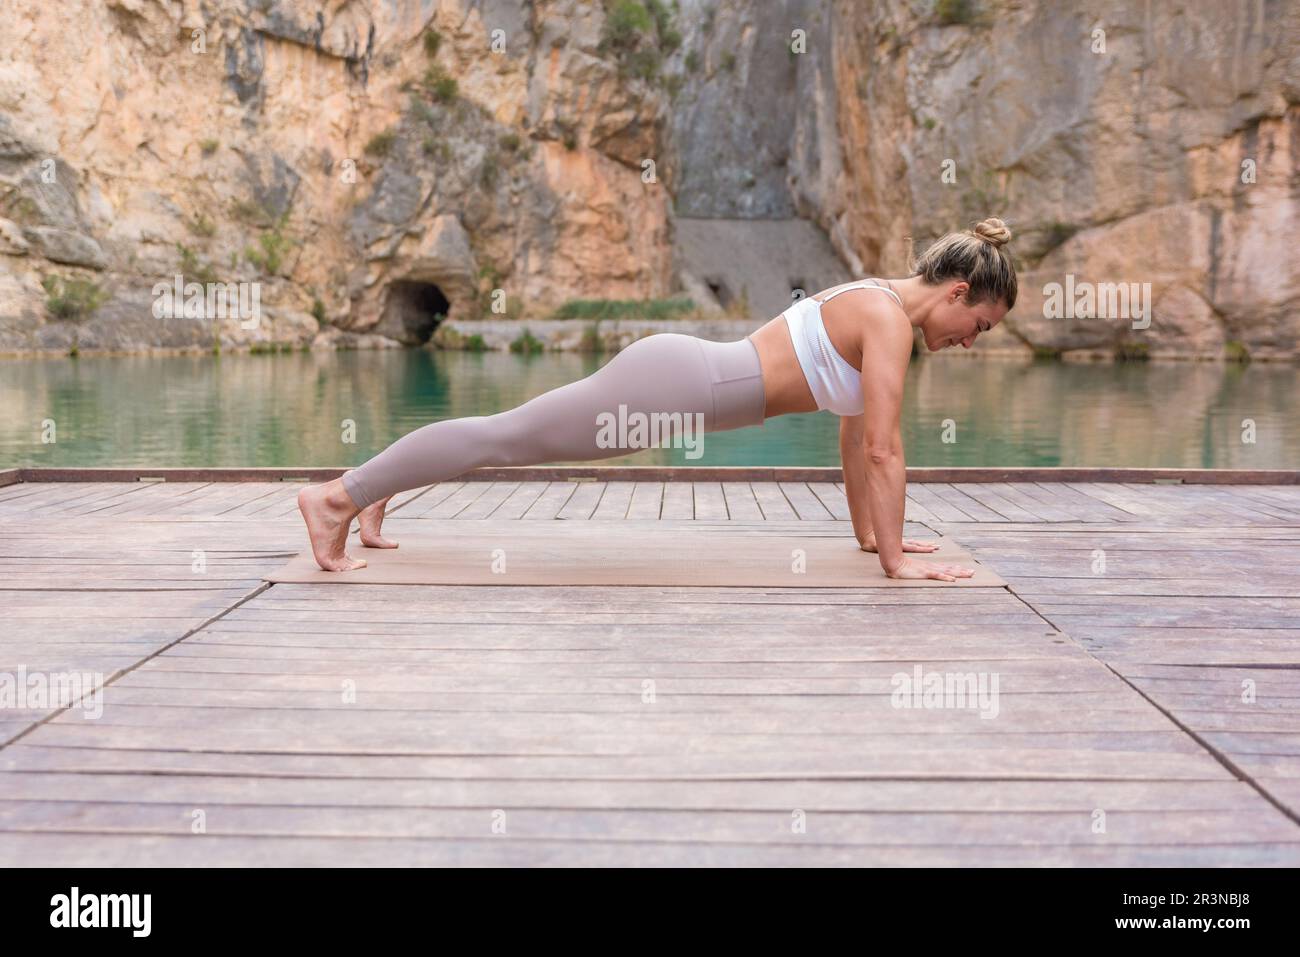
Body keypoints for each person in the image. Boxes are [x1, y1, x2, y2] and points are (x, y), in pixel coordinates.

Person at [298, 217, 1018, 581]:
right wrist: (898, 563)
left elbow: (855, 435)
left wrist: (873, 540)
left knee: (506, 432)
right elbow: (883, 448)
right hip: (675, 388)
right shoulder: (887, 318)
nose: (970, 341)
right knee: (505, 438)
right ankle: (338, 496)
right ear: (958, 292)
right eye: (978, 326)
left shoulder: (877, 302)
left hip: (681, 381)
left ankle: (377, 487)